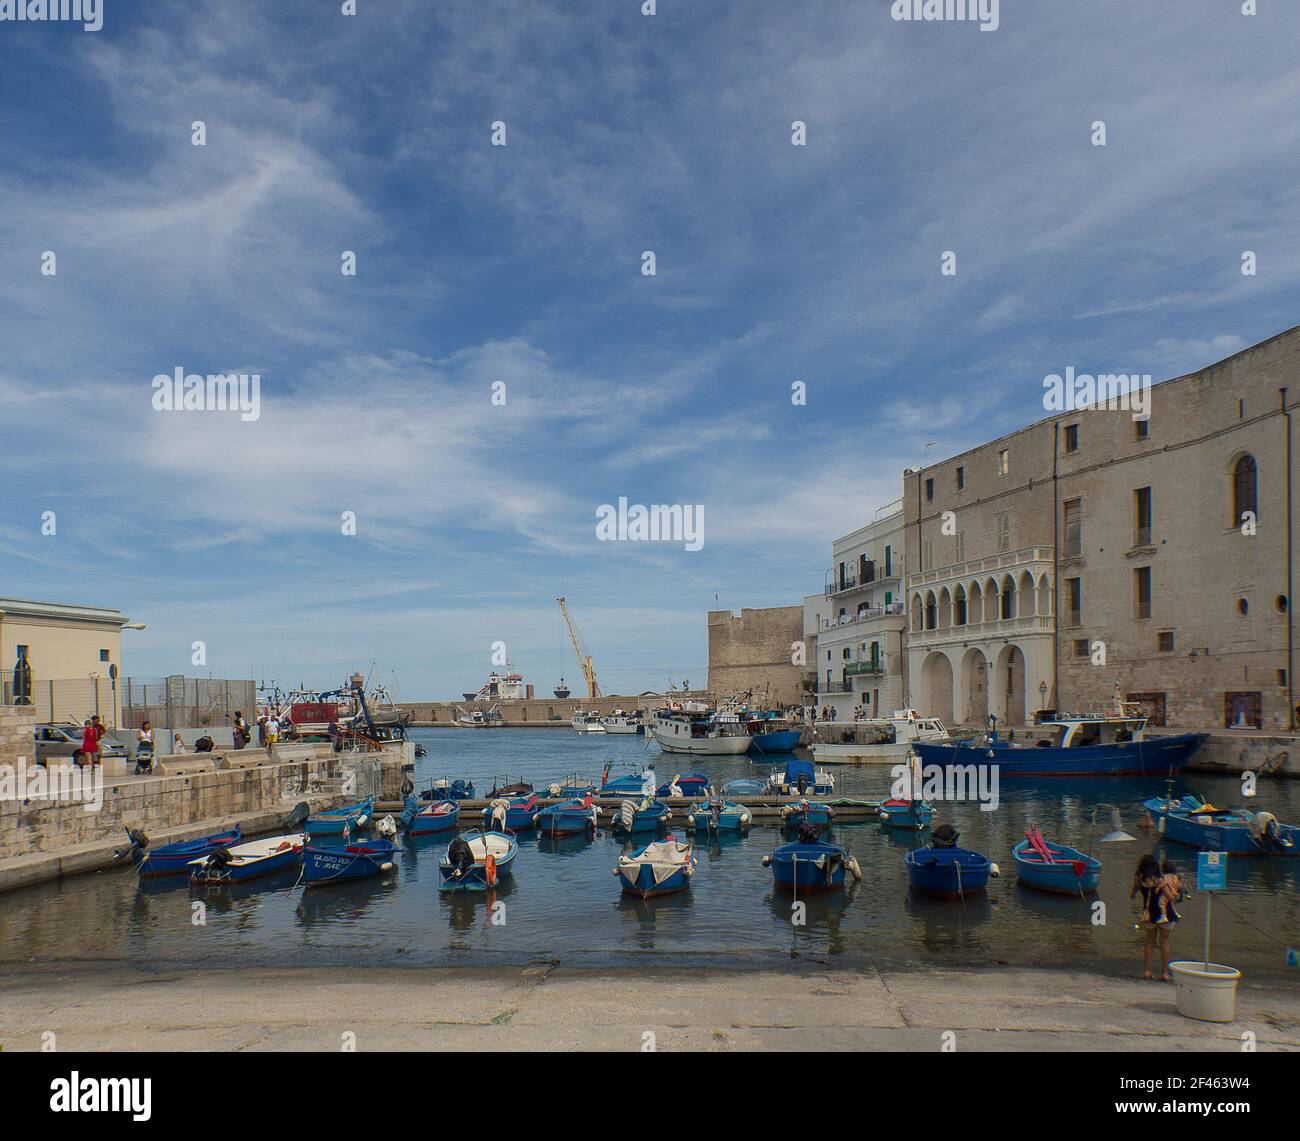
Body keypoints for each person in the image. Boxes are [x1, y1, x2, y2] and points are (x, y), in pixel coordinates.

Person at [1131, 853, 1180, 981]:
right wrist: (1176, 896)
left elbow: (1133, 893)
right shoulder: (1160, 880)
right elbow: (1170, 898)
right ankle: (1164, 973)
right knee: (1164, 942)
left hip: (1149, 914)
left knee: (1149, 942)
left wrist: (1136, 891)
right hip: (1165, 914)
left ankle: (1147, 971)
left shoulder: (1139, 879)